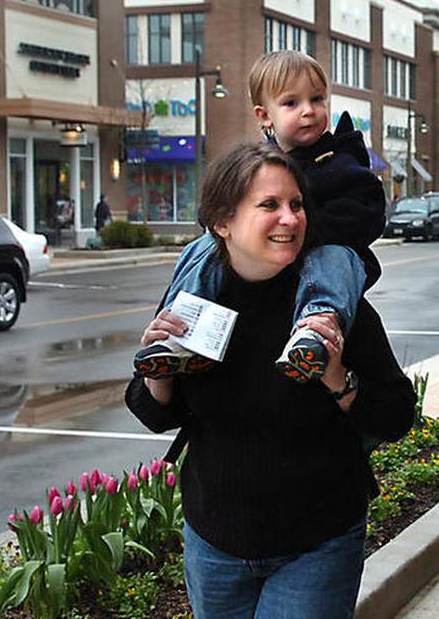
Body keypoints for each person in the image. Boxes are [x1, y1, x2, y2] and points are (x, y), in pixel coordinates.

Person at [126, 143, 415, 619]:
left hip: (316, 541)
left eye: (296, 205)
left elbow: (396, 415)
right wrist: (159, 374)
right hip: (214, 539)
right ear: (222, 223)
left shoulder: (330, 308)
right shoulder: (200, 296)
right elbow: (155, 413)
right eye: (269, 206)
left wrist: (337, 377)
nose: (290, 218)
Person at [134, 50, 385, 384]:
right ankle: (182, 331)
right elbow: (214, 211)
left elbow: (368, 212)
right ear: (264, 115)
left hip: (328, 259)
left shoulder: (340, 162)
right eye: (292, 103)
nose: (309, 111)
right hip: (248, 291)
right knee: (205, 247)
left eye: (317, 99)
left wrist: (307, 231)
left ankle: (314, 330)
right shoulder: (257, 167)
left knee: (334, 255)